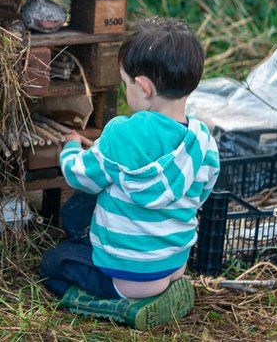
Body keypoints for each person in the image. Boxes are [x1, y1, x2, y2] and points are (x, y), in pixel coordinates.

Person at [40, 17, 220, 329]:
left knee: (54, 263)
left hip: (126, 275)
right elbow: (200, 193)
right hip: (173, 263)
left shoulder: (121, 132)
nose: (126, 90)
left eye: (126, 84)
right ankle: (165, 291)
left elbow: (80, 176)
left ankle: (117, 307)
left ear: (144, 87)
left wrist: (70, 149)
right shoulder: (203, 141)